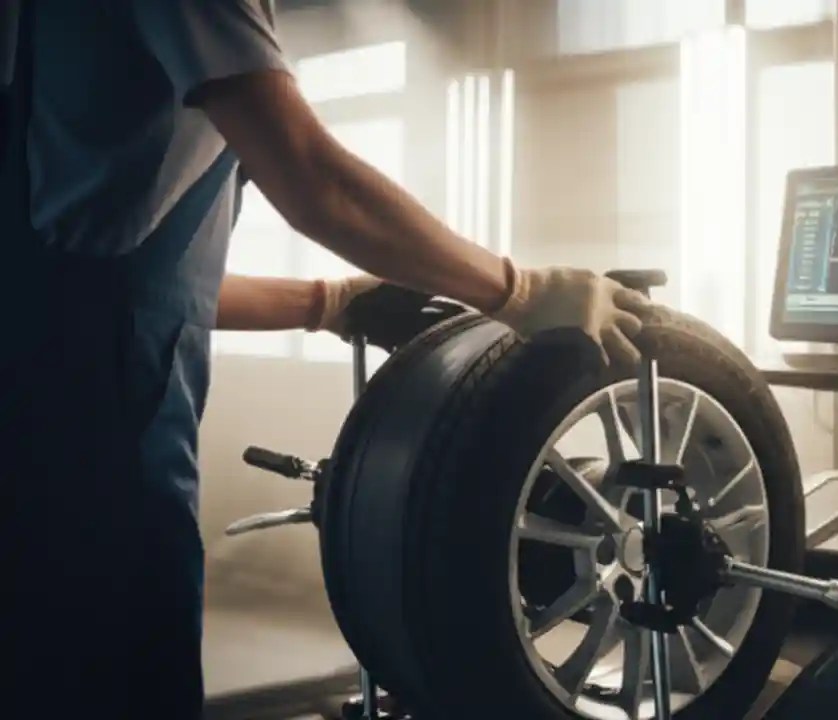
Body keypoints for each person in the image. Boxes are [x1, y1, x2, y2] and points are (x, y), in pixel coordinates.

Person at [0, 1, 648, 717]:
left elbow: (123, 280)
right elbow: (313, 180)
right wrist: (518, 289)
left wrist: (325, 302)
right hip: (89, 451)